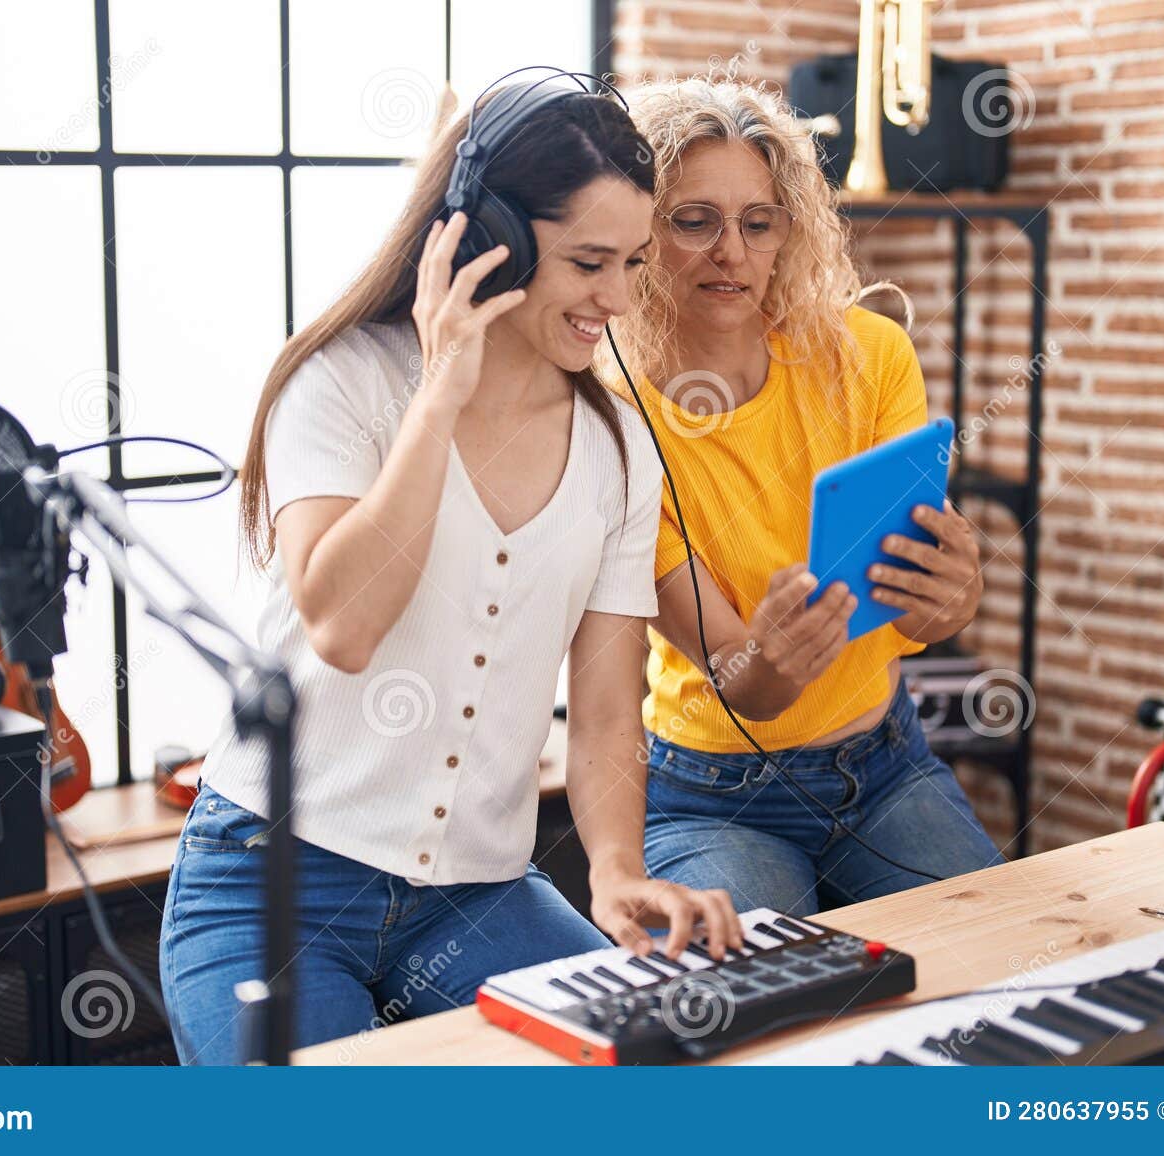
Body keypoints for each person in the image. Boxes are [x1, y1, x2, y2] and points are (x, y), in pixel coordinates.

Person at [159, 77, 740, 1064]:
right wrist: (441, 394)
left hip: (476, 896)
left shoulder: (620, 451)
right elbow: (343, 625)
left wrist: (614, 867)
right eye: (589, 262)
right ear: (489, 241)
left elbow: (604, 712)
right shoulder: (340, 381)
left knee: (662, 1070)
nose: (618, 299)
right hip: (271, 881)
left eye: (633, 263)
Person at [607, 77, 1003, 918]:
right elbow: (745, 687)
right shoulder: (617, 423)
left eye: (759, 222)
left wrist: (955, 598)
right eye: (693, 221)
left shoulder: (871, 354)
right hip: (717, 794)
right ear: (635, 231)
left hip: (887, 762)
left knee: (993, 969)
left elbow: (916, 617)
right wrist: (771, 657)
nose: (733, 253)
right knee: (761, 1023)